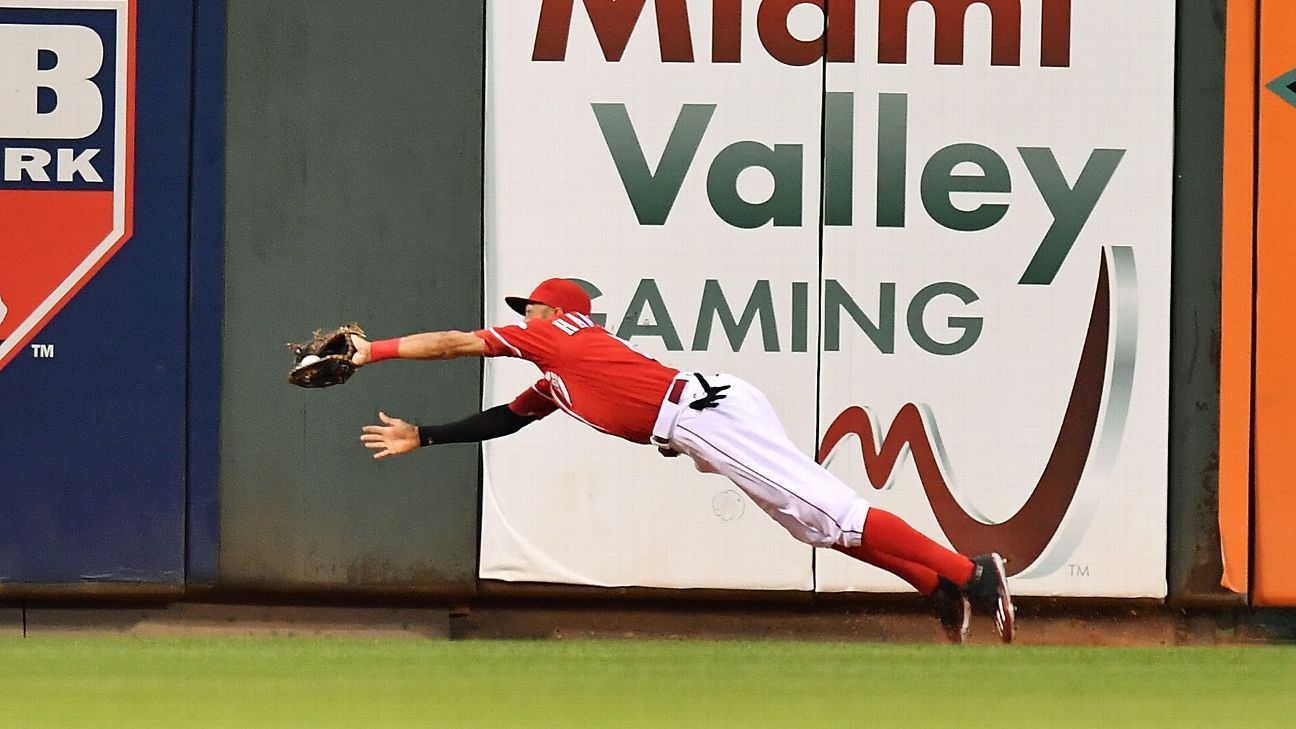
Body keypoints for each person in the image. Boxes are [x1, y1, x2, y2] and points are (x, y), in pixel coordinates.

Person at [349, 277, 1015, 644]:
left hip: (702, 415)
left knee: (834, 512)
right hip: (707, 410)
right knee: (816, 526)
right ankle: (936, 586)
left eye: (534, 307)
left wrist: (373, 352)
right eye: (527, 311)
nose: (527, 315)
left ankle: (973, 572)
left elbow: (454, 343)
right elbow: (505, 418)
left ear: (560, 312)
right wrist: (425, 435)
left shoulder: (556, 334)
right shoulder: (555, 379)